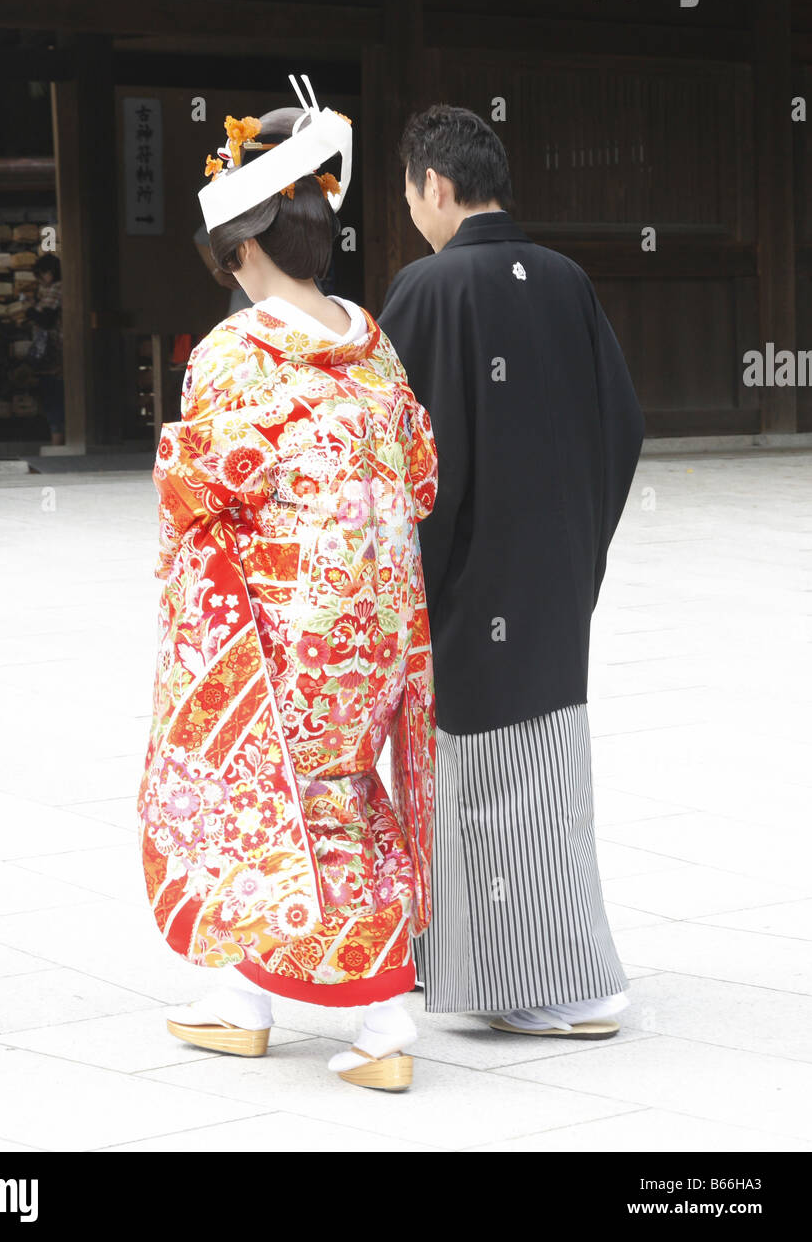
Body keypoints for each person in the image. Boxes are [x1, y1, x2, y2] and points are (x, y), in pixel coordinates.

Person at [137, 77, 438, 1091]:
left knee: (252, 801)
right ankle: (336, 1007)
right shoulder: (375, 346)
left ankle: (310, 1010)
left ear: (249, 247)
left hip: (280, 634)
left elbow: (198, 487)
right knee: (347, 802)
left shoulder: (237, 350)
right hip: (377, 628)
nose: (229, 271)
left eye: (229, 255)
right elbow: (423, 475)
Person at [378, 105, 644, 1040]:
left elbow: (398, 453)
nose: (411, 207)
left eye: (410, 191)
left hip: (464, 576)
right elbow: (624, 424)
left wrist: (407, 569)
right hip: (551, 573)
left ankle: (561, 983)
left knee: (485, 777)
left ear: (435, 187)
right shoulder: (564, 278)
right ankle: (502, 964)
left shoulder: (428, 288)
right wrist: (577, 545)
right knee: (536, 767)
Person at [24, 253, 64, 446]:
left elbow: (46, 319)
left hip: (52, 350)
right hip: (56, 350)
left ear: (48, 273)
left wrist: (30, 310)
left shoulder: (55, 289)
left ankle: (57, 437)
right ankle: (57, 435)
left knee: (52, 393)